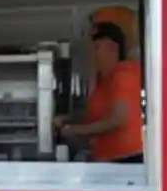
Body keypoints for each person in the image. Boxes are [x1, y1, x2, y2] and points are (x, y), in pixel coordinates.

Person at [54, 22, 143, 163]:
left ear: (112, 49)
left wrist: (75, 130)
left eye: (97, 48)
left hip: (128, 160)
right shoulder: (105, 80)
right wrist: (67, 119)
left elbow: (118, 119)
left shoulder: (125, 73)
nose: (92, 55)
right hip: (111, 160)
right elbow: (95, 116)